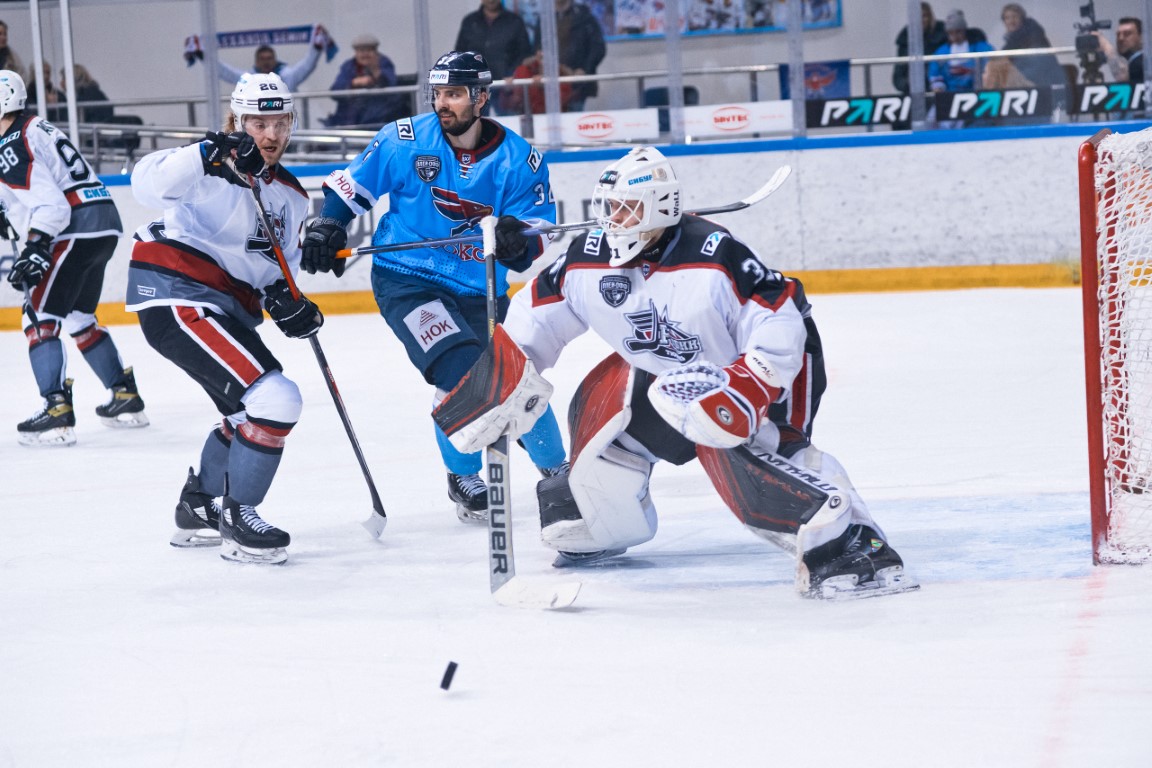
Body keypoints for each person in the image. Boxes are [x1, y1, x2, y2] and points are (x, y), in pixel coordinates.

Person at [433, 146, 919, 601]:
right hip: (666, 367)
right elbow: (536, 317)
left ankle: (849, 542)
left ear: (661, 208)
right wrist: (500, 379)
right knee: (601, 410)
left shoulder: (715, 255)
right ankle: (600, 519)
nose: (613, 220)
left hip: (762, 365)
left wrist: (749, 384)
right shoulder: (587, 258)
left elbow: (780, 314)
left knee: (743, 442)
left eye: (627, 209)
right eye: (608, 207)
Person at [299, 51, 569, 523]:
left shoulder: (518, 159)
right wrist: (329, 225)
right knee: (465, 371)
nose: (443, 103)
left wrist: (517, 239)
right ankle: (493, 474)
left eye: (455, 94)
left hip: (480, 289)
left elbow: (536, 231)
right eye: (438, 93)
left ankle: (552, 472)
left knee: (513, 378)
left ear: (481, 98)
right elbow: (349, 190)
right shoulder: (404, 139)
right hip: (407, 280)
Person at [127, 72, 320, 565]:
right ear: (236, 120)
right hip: (175, 292)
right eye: (258, 123)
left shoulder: (292, 196)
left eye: (280, 123)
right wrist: (209, 151)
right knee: (276, 398)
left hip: (220, 305)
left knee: (245, 416)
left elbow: (276, 271)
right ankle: (240, 519)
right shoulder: (205, 163)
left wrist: (290, 302)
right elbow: (145, 183)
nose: (271, 135)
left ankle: (199, 507)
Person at [0, 69, 147, 448]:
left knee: (38, 315)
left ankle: (56, 411)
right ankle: (124, 395)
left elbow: (51, 205)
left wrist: (36, 245)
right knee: (79, 315)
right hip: (103, 221)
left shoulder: (10, 143)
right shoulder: (34, 127)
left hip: (73, 226)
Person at [323, 33, 410, 129]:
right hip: (347, 121)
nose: (365, 54)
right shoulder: (348, 66)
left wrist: (375, 71)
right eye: (361, 51)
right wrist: (353, 83)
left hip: (377, 121)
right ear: (356, 53)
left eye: (369, 50)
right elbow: (335, 91)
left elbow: (390, 85)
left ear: (375, 52)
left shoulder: (384, 63)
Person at [455, 0, 534, 102]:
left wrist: (513, 74)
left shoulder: (514, 21)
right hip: (476, 88)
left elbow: (524, 54)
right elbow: (460, 55)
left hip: (507, 89)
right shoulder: (470, 22)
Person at [208, 25, 329, 91]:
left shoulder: (287, 77)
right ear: (256, 62)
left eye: (269, 58)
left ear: (275, 59)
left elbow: (307, 66)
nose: (266, 62)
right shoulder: (249, 79)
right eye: (262, 59)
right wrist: (204, 56)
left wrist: (316, 48)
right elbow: (226, 72)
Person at [999, 4, 1067, 97]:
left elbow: (1037, 67)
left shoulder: (1032, 33)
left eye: (1014, 17)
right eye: (1007, 18)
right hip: (1033, 85)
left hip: (1047, 86)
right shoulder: (1013, 40)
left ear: (1022, 19)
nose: (1011, 21)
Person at [551, 0, 606, 112]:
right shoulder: (545, 19)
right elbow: (537, 49)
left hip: (576, 84)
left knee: (573, 118)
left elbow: (598, 48)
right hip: (550, 85)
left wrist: (584, 69)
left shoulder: (584, 17)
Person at [929, 11, 995, 95]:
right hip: (949, 95)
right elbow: (935, 73)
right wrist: (939, 89)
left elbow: (994, 64)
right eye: (950, 33)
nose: (955, 36)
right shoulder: (941, 52)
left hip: (977, 93)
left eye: (958, 32)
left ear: (964, 30)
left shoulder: (980, 47)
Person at [498, 47, 575, 115]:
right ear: (536, 57)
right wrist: (508, 91)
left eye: (549, 57)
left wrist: (544, 86)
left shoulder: (561, 74)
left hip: (557, 119)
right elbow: (507, 105)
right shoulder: (524, 71)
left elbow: (562, 101)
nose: (545, 61)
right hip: (528, 119)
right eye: (541, 57)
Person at [1093, 17, 1144, 85]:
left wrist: (1106, 46)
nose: (1120, 38)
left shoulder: (1143, 61)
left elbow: (1122, 77)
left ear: (1141, 37)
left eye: (1127, 34)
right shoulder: (1131, 63)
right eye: (1118, 34)